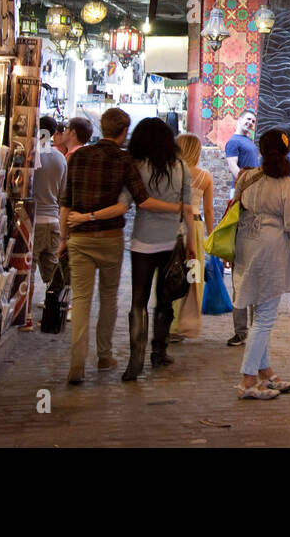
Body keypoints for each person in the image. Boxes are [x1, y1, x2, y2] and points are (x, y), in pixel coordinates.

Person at [59, 107, 190, 385]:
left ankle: (108, 362)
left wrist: (73, 228)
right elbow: (171, 205)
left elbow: (111, 202)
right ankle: (137, 353)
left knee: (114, 301)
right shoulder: (161, 165)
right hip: (141, 240)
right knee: (140, 299)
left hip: (116, 240)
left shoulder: (113, 161)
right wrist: (183, 225)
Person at [232, 129, 290, 399]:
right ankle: (248, 380)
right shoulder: (287, 184)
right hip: (270, 252)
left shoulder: (246, 176)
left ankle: (265, 371)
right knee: (265, 317)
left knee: (259, 313)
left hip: (246, 247)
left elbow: (235, 207)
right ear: (287, 152)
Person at [119, 117, 193, 381]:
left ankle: (135, 359)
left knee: (138, 301)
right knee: (165, 298)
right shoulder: (182, 167)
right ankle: (159, 352)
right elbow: (188, 210)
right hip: (173, 239)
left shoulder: (137, 166)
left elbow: (125, 201)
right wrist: (191, 245)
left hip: (142, 241)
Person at [170, 132, 215, 342]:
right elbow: (208, 210)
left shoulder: (170, 172)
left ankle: (169, 320)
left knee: (169, 272)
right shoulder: (205, 176)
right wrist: (212, 235)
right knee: (192, 275)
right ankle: (186, 321)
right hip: (195, 228)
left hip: (170, 226)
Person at [225, 109, 260, 346]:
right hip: (242, 196)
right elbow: (233, 168)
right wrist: (247, 186)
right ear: (239, 120)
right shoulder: (233, 142)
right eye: (247, 118)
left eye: (253, 120)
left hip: (254, 198)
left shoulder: (249, 143)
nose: (250, 122)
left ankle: (256, 328)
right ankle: (241, 330)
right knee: (241, 269)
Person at [32, 122, 67, 307]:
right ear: (53, 133)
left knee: (28, 270)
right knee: (52, 270)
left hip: (33, 221)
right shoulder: (60, 158)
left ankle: (26, 317)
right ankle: (54, 309)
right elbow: (63, 195)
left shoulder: (30, 156)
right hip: (53, 220)